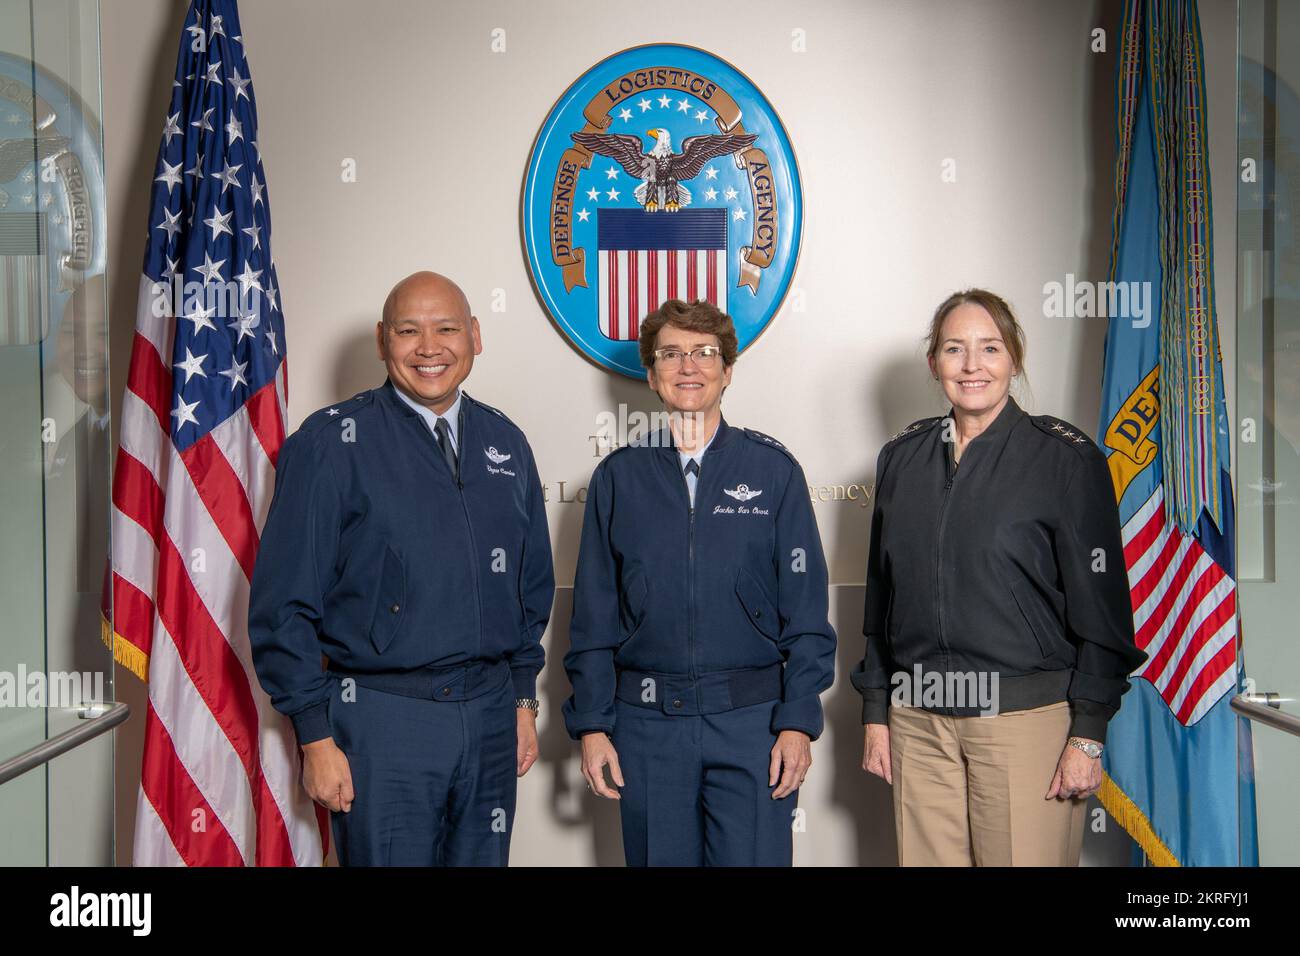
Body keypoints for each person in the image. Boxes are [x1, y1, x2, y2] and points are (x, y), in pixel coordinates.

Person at [248, 270, 554, 866]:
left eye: (446, 329)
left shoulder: (506, 443)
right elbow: (282, 605)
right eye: (409, 331)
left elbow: (530, 584)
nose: (429, 347)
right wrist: (314, 733)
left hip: (489, 717)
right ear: (383, 339)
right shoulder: (331, 442)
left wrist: (521, 700)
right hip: (383, 721)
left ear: (476, 336)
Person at [853, 288, 1147, 866]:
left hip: (1024, 723)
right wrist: (875, 712)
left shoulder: (1064, 459)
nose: (972, 365)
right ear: (934, 362)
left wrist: (1087, 731)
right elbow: (882, 602)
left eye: (989, 348)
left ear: (1014, 358)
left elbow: (1104, 613)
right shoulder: (901, 459)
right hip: (918, 723)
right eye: (955, 349)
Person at [563, 297, 836, 866]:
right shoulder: (617, 479)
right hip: (647, 727)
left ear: (727, 370)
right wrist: (591, 725)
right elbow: (593, 615)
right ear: (651, 373)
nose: (688, 366)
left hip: (752, 724)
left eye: (704, 353)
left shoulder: (774, 472)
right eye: (671, 354)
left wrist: (797, 722)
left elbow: (808, 615)